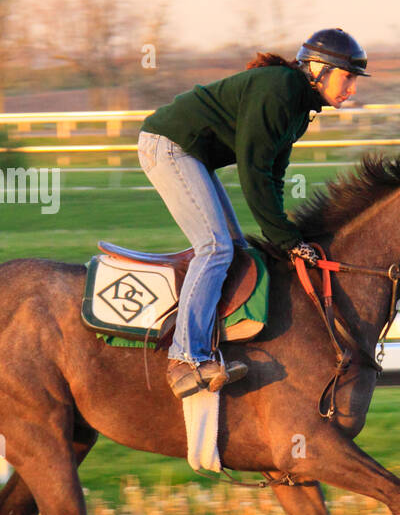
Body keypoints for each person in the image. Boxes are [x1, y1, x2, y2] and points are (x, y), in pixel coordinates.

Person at [137, 28, 369, 399]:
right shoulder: (280, 90)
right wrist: (285, 238)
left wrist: (286, 236)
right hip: (169, 146)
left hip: (191, 154)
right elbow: (253, 171)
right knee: (214, 248)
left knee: (231, 247)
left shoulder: (298, 107)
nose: (352, 89)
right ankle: (184, 359)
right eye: (348, 78)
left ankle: (212, 350)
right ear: (319, 70)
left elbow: (273, 176)